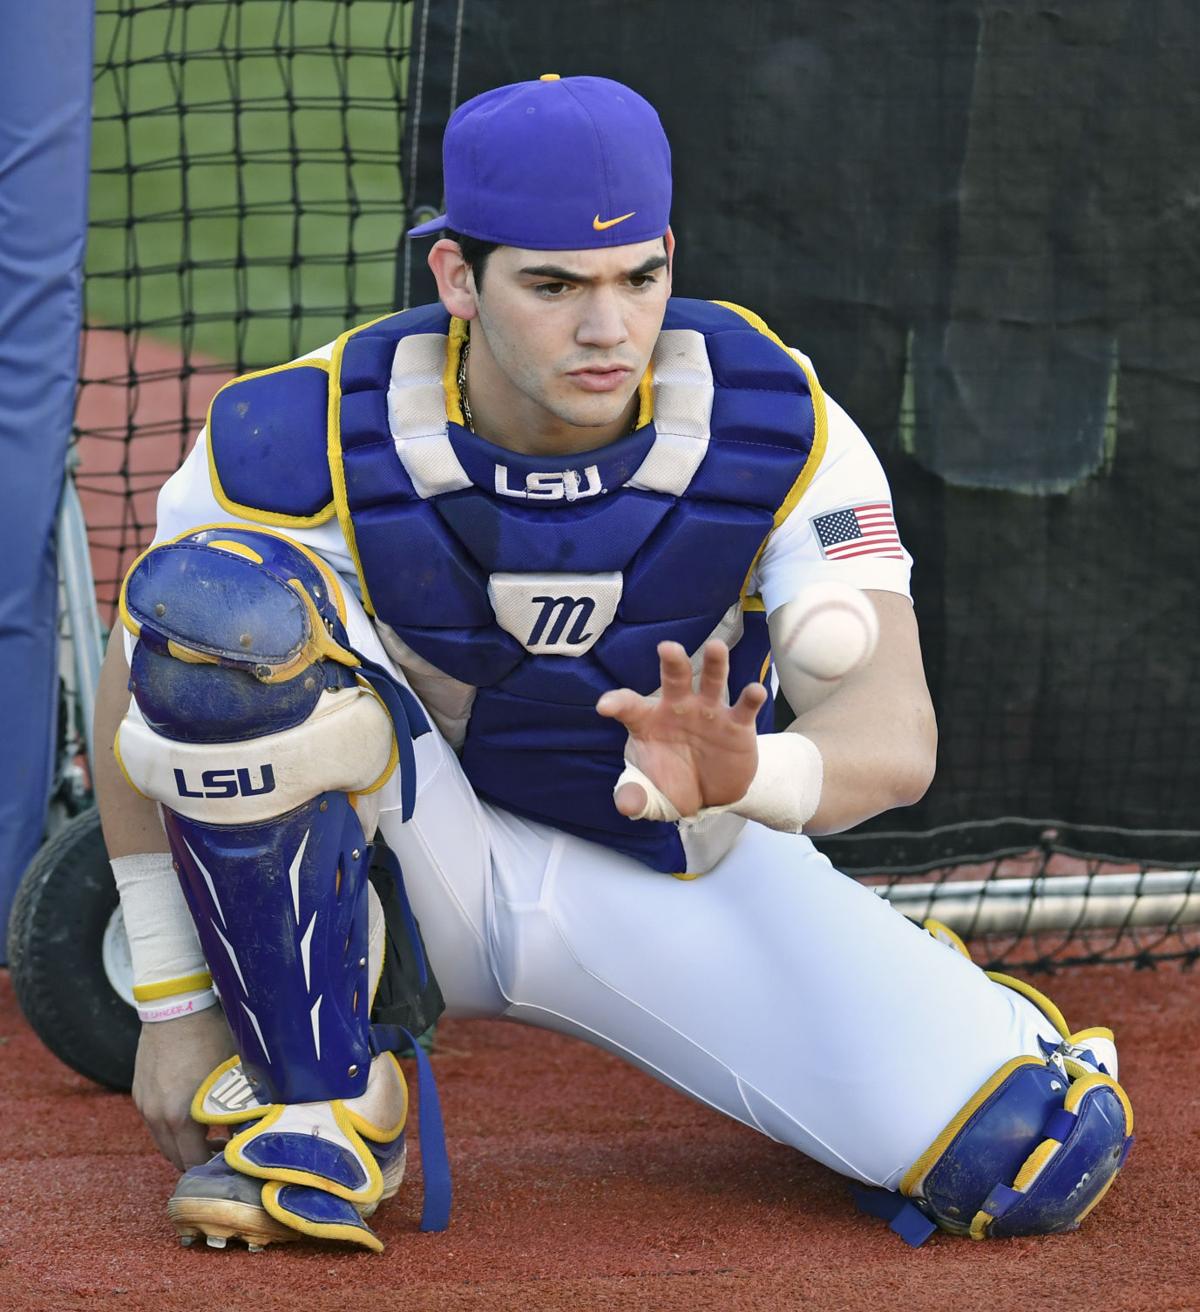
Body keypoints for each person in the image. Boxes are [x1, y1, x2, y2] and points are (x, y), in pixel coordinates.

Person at [94, 74, 1132, 1253]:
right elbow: (149, 668)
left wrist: (753, 773)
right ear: (457, 278)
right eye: (554, 286)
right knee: (214, 613)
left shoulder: (775, 430)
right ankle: (322, 1094)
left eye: (639, 277)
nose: (607, 328)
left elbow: (893, 738)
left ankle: (942, 1005)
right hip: (420, 858)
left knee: (1033, 1150)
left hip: (672, 861)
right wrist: (173, 1001)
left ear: (670, 258)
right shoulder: (303, 434)